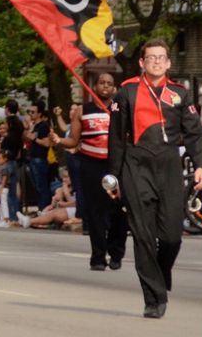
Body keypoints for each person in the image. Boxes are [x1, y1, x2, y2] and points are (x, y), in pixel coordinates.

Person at [107, 39, 202, 319]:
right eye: (151, 58)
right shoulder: (126, 92)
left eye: (161, 57)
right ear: (142, 62)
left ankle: (160, 273)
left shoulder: (179, 93)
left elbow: (195, 133)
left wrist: (200, 166)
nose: (157, 62)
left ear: (169, 63)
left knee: (172, 236)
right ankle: (153, 298)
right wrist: (113, 177)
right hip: (135, 164)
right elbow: (116, 138)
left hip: (169, 164)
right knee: (143, 235)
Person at [56, 72, 127, 271]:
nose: (105, 86)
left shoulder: (120, 108)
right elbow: (73, 140)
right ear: (94, 86)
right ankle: (98, 257)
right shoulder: (82, 110)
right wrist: (60, 140)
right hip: (91, 165)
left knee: (119, 212)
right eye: (101, 82)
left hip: (115, 166)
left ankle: (116, 252)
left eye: (109, 84)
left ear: (114, 88)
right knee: (95, 212)